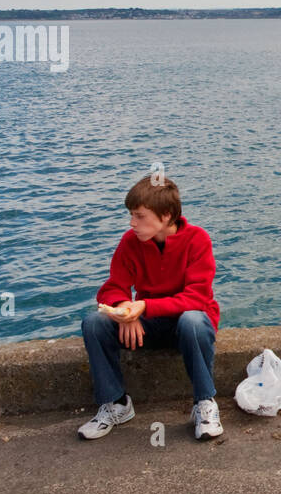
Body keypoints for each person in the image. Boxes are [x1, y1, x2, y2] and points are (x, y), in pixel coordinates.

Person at [78, 174, 223, 441]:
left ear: (166, 215)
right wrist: (125, 310)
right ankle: (116, 404)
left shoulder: (197, 239)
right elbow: (112, 287)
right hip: (149, 325)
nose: (132, 223)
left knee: (192, 319)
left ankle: (204, 404)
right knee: (94, 322)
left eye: (139, 216)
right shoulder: (130, 242)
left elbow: (198, 297)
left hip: (187, 326)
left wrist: (144, 306)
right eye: (131, 215)